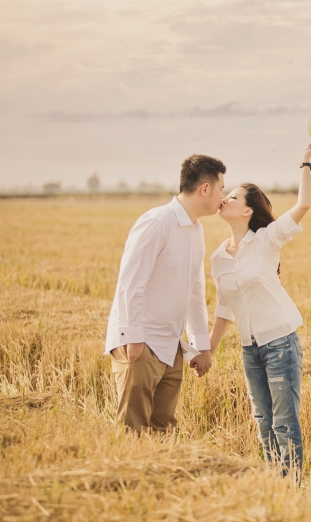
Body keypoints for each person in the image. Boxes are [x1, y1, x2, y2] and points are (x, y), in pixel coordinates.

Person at [206, 142, 311, 480]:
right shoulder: (218, 258)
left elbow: (304, 204)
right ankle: (275, 483)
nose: (226, 198)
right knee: (263, 421)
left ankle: (292, 487)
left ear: (248, 211)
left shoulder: (268, 238)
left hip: (280, 344)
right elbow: (225, 307)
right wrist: (208, 350)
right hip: (249, 350)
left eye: (234, 196)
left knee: (284, 421)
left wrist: (305, 163)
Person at [104, 155, 224, 433]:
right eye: (221, 189)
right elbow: (129, 283)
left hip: (172, 347)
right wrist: (133, 337)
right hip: (141, 345)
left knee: (163, 431)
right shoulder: (157, 222)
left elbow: (194, 291)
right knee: (132, 430)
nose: (223, 196)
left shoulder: (196, 230)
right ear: (204, 189)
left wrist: (201, 346)